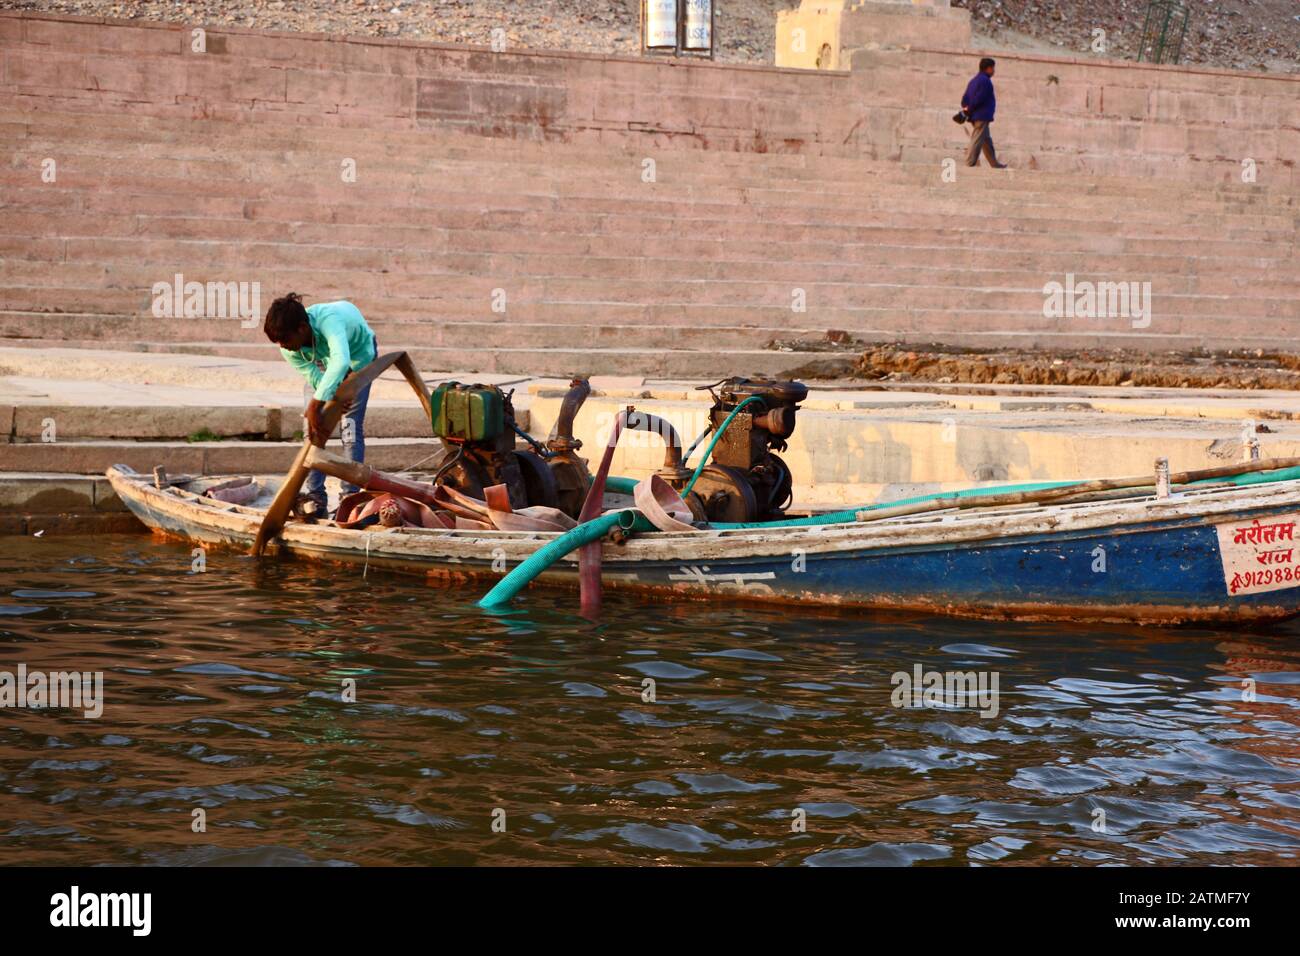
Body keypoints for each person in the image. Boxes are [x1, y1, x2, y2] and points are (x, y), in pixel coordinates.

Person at [262, 293, 377, 512]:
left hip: (359, 358)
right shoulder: (289, 347)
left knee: (349, 429)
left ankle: (349, 498)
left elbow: (342, 361)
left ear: (302, 329)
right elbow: (315, 377)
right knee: (313, 429)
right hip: (326, 365)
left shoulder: (329, 320)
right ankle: (315, 497)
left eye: (286, 341)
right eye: (279, 342)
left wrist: (317, 403)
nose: (283, 347)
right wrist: (331, 396)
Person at [961, 57, 1008, 169]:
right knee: (977, 139)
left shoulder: (973, 81)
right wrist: (971, 108)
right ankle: (969, 162)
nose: (994, 71)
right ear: (988, 68)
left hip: (975, 115)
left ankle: (994, 164)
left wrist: (967, 109)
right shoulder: (985, 81)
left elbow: (964, 99)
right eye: (993, 68)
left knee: (986, 140)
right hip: (981, 115)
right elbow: (979, 98)